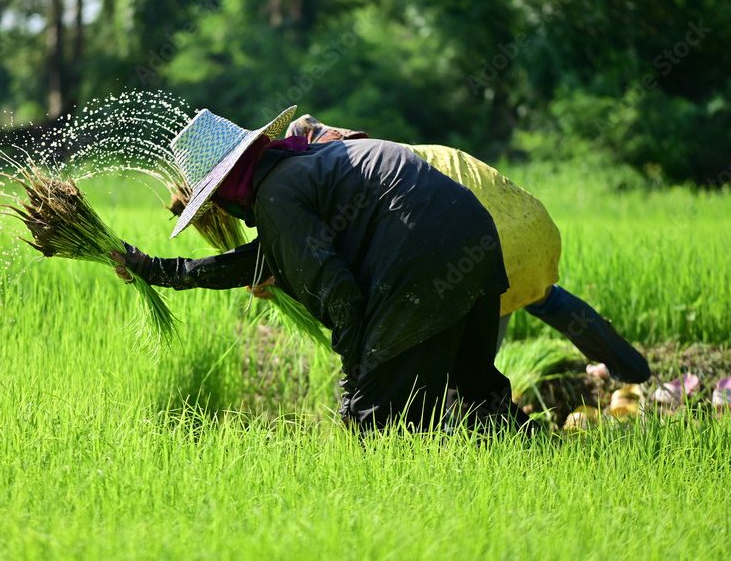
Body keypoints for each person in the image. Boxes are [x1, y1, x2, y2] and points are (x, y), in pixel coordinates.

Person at [111, 106, 535, 436]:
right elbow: (261, 259)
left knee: (379, 423)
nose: (225, 213)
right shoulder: (308, 164)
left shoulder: (276, 194)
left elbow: (339, 296)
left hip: (421, 261)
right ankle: (541, 460)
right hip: (475, 240)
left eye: (216, 201)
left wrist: (356, 384)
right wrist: (155, 270)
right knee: (478, 395)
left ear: (226, 188)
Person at [284, 115, 650, 384]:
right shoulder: (394, 156)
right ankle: (632, 368)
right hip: (530, 222)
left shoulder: (356, 186)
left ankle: (473, 439)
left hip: (482, 245)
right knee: (546, 298)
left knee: (466, 365)